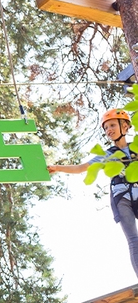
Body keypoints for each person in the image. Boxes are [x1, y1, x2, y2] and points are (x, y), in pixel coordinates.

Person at [49, 108, 138, 277]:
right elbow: (81, 168)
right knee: (134, 240)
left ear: (125, 126)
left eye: (112, 125)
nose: (108, 130)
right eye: (106, 128)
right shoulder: (107, 155)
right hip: (122, 198)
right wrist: (57, 167)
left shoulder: (137, 147)